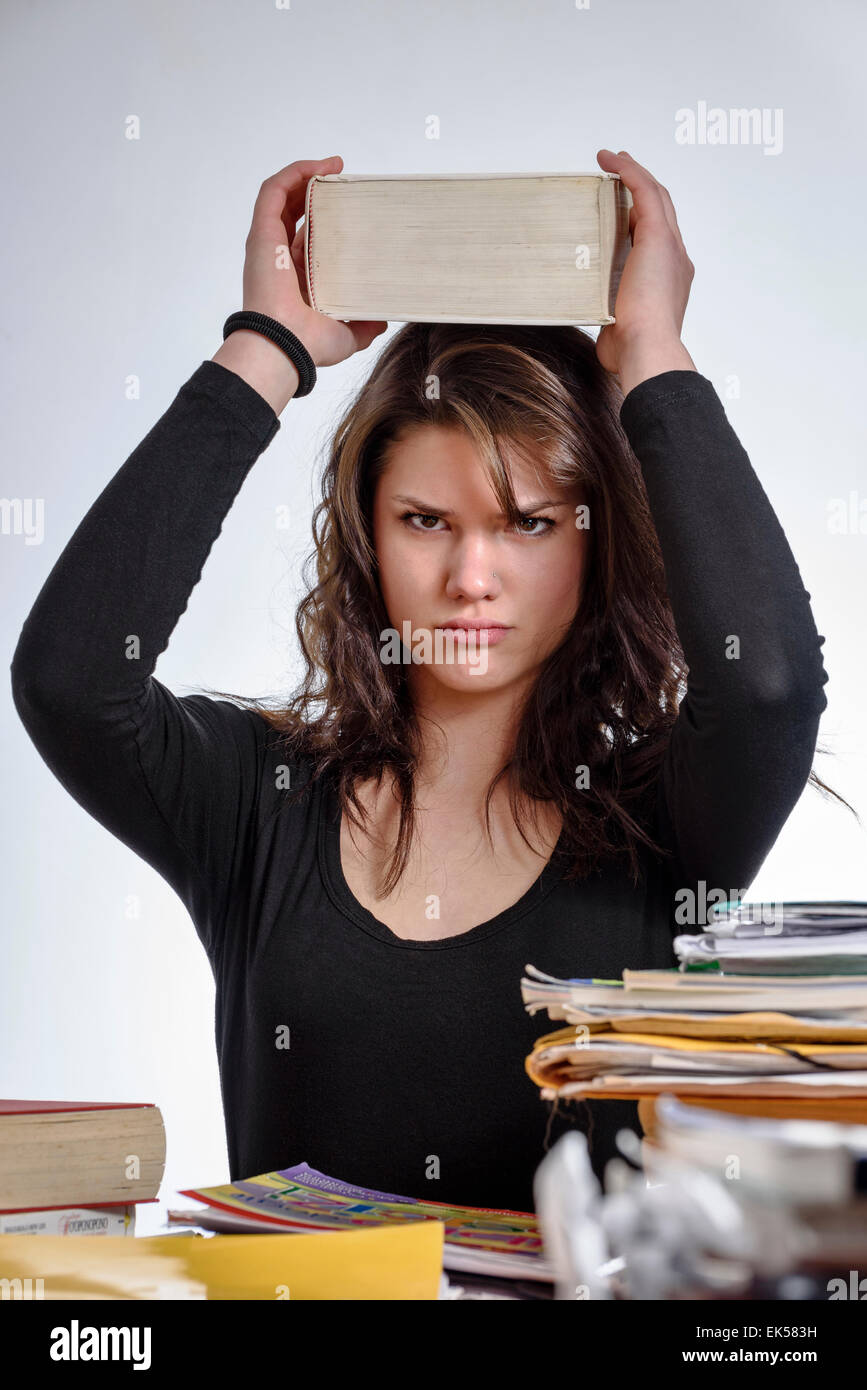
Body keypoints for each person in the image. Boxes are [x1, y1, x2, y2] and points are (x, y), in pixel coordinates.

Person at [10, 151, 842, 1214]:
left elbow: (767, 688)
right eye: (425, 521)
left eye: (528, 523)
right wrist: (265, 349)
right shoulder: (256, 804)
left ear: (593, 540)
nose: (470, 577)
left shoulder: (666, 822)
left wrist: (652, 356)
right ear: (367, 532)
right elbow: (72, 679)